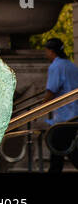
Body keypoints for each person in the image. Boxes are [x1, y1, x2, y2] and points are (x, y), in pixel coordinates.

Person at [42, 38, 78, 173]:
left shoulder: (55, 67)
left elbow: (51, 90)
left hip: (64, 116)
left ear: (52, 51)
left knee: (59, 148)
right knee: (64, 149)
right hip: (74, 114)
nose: (46, 54)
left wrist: (41, 108)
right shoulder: (71, 65)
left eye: (46, 51)